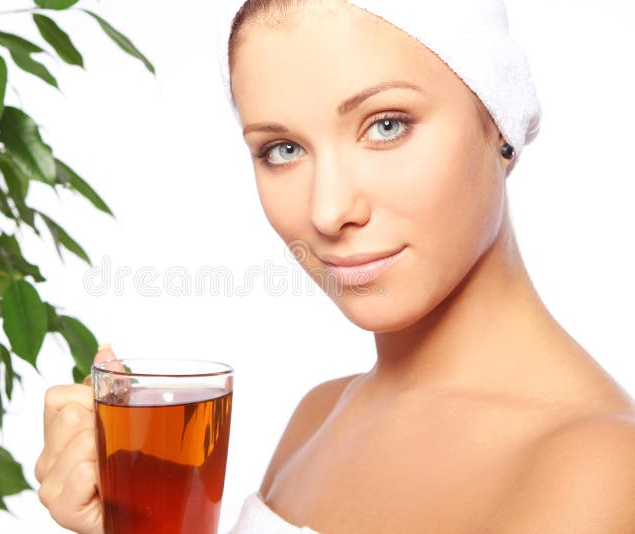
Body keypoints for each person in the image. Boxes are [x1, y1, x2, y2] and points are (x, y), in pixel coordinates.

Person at [35, 0, 635, 532]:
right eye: (283, 149)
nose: (327, 211)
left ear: (499, 123)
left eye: (386, 125)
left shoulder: (601, 469)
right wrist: (141, 522)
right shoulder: (317, 417)